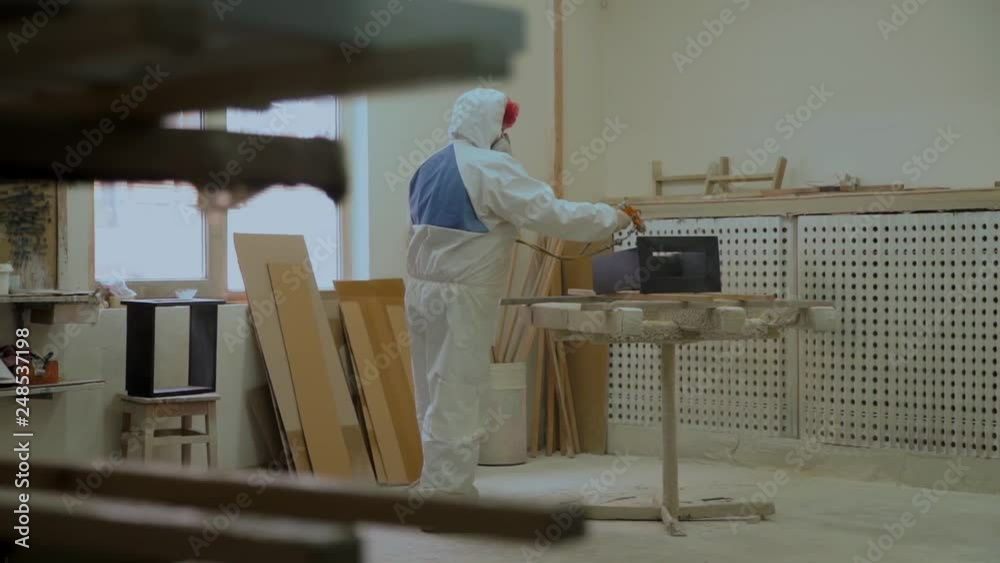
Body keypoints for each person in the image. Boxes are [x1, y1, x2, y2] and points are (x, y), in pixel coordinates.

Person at [405, 88, 632, 499]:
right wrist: (611, 217)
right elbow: (553, 214)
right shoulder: (490, 168)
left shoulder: (425, 167)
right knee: (456, 392)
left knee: (432, 393)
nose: (506, 135)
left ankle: (433, 484)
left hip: (421, 295)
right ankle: (447, 499)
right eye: (504, 126)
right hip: (463, 298)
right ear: (491, 126)